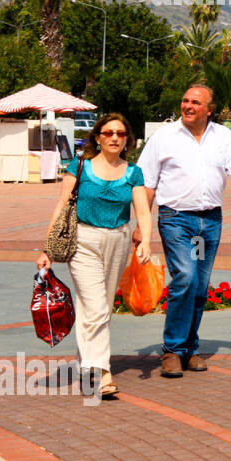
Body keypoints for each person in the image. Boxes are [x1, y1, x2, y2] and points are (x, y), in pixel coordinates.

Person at [136, 84, 231, 378]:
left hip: (208, 224)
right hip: (176, 220)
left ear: (209, 110)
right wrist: (142, 227)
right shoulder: (164, 137)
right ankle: (173, 350)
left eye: (195, 102)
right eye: (185, 100)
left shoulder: (224, 138)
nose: (188, 106)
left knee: (200, 287)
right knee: (186, 278)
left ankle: (190, 348)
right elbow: (146, 182)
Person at [36, 113, 153, 399]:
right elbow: (62, 205)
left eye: (121, 134)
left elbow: (143, 210)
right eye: (109, 132)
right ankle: (102, 373)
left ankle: (87, 364)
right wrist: (48, 249)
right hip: (84, 241)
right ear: (98, 137)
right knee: (96, 307)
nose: (114, 138)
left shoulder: (133, 172)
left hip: (119, 240)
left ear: (127, 139)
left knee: (99, 310)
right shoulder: (80, 167)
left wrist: (146, 240)